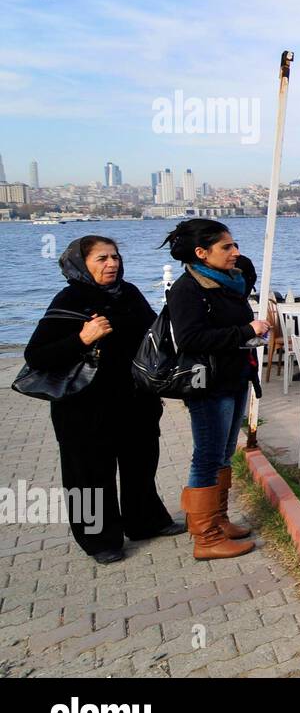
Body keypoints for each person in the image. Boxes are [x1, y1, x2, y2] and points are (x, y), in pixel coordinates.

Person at [22, 237, 183, 564]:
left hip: (135, 402)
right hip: (84, 409)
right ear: (80, 264)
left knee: (140, 465)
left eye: (115, 257)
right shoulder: (70, 299)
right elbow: (36, 355)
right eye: (101, 259)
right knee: (88, 476)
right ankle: (99, 541)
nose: (112, 264)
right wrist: (82, 338)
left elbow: (153, 337)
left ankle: (145, 522)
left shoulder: (130, 294)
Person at [162, 219, 264, 560]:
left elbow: (247, 268)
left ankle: (219, 521)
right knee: (206, 457)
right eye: (227, 247)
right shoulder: (187, 290)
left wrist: (248, 332)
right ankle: (205, 537)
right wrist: (246, 329)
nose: (236, 252)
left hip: (235, 378)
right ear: (201, 253)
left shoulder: (228, 283)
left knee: (222, 454)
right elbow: (190, 339)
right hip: (208, 385)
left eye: (235, 245)